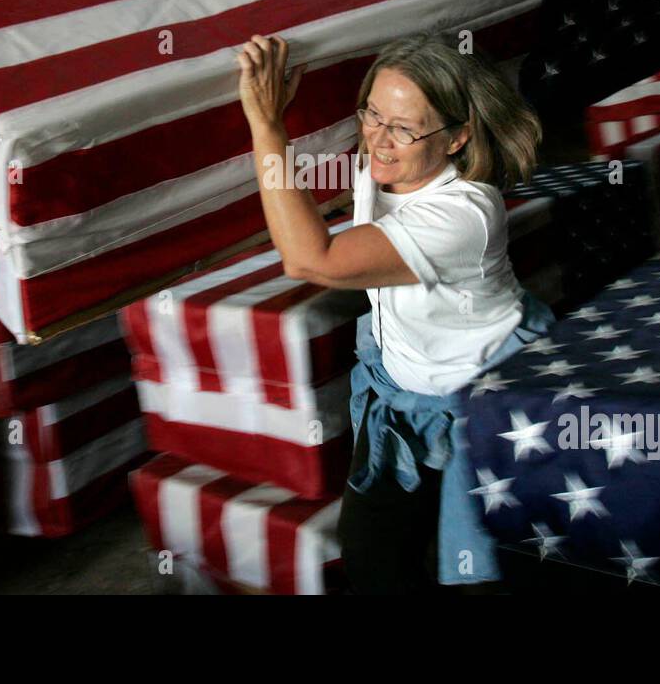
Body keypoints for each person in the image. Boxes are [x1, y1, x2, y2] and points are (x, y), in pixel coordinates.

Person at [236, 31, 555, 594]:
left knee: (481, 573)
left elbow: (311, 259)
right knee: (372, 559)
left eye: (404, 128)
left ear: (457, 136)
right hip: (402, 393)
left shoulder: (464, 214)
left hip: (488, 401)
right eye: (373, 114)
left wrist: (266, 125)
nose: (379, 140)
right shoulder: (384, 169)